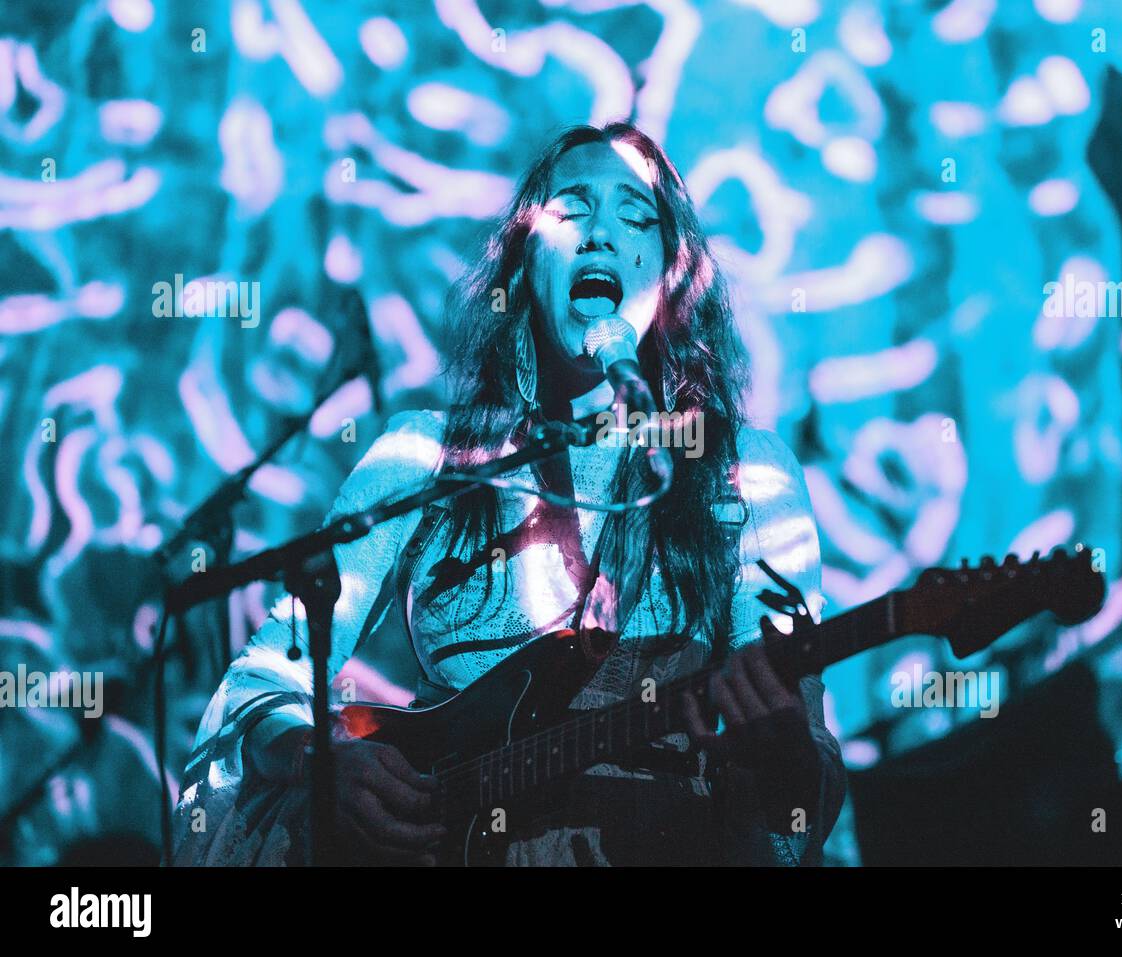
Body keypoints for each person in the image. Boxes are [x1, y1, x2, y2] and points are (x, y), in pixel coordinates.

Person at [173, 121, 845, 866]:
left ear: (671, 275)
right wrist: (321, 764)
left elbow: (798, 770)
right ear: (525, 263)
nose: (599, 234)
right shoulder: (427, 454)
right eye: (570, 210)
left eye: (634, 216)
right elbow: (267, 675)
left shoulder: (744, 471)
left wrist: (781, 746)